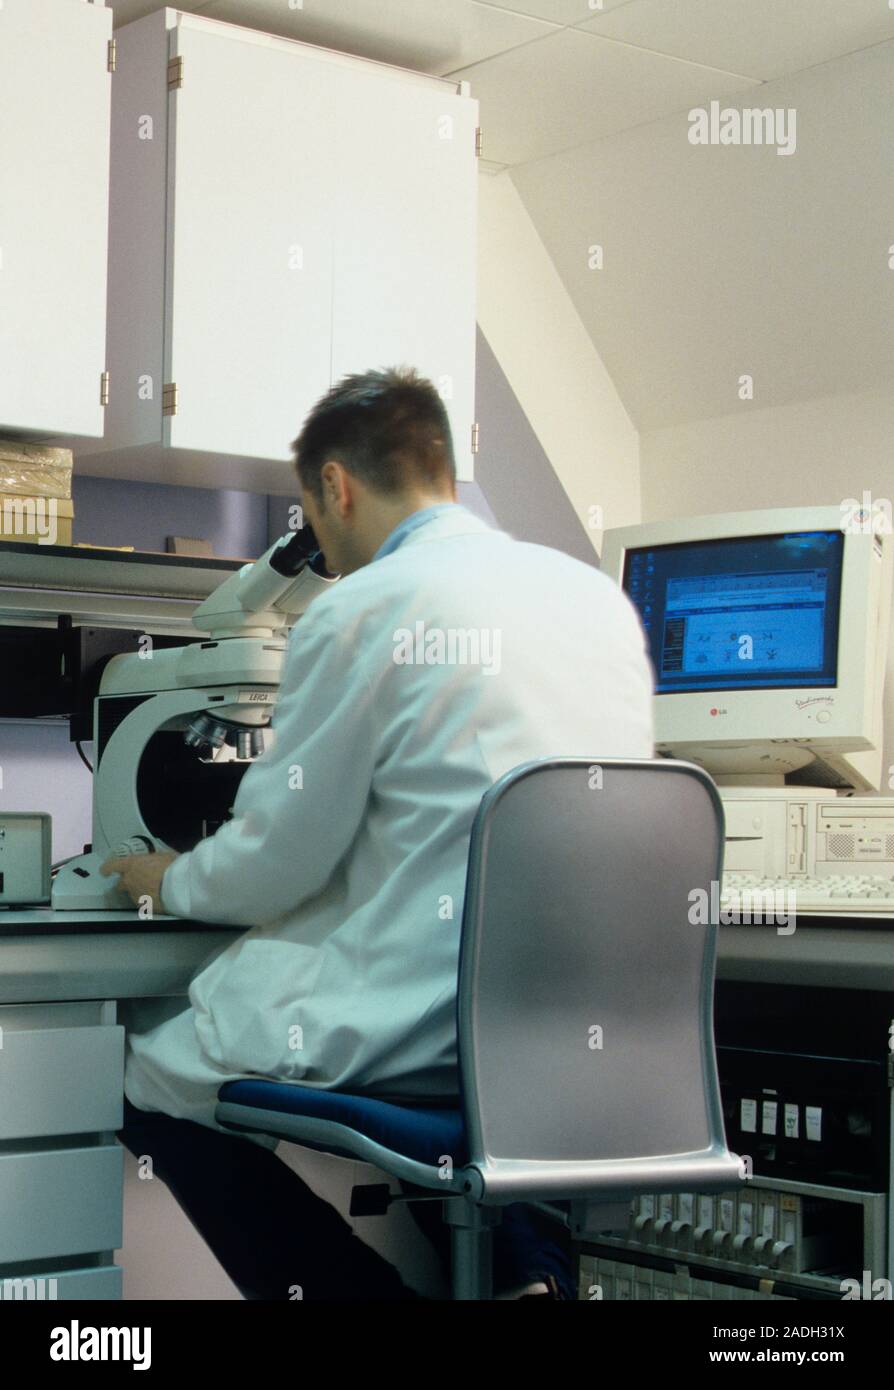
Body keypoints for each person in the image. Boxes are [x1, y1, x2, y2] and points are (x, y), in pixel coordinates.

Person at [103, 366, 655, 1300]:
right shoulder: (596, 600)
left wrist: (168, 877)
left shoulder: (361, 610)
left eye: (314, 521)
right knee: (493, 1096)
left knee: (147, 1074)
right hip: (581, 1036)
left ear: (334, 488)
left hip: (423, 1027)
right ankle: (535, 1282)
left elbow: (277, 860)